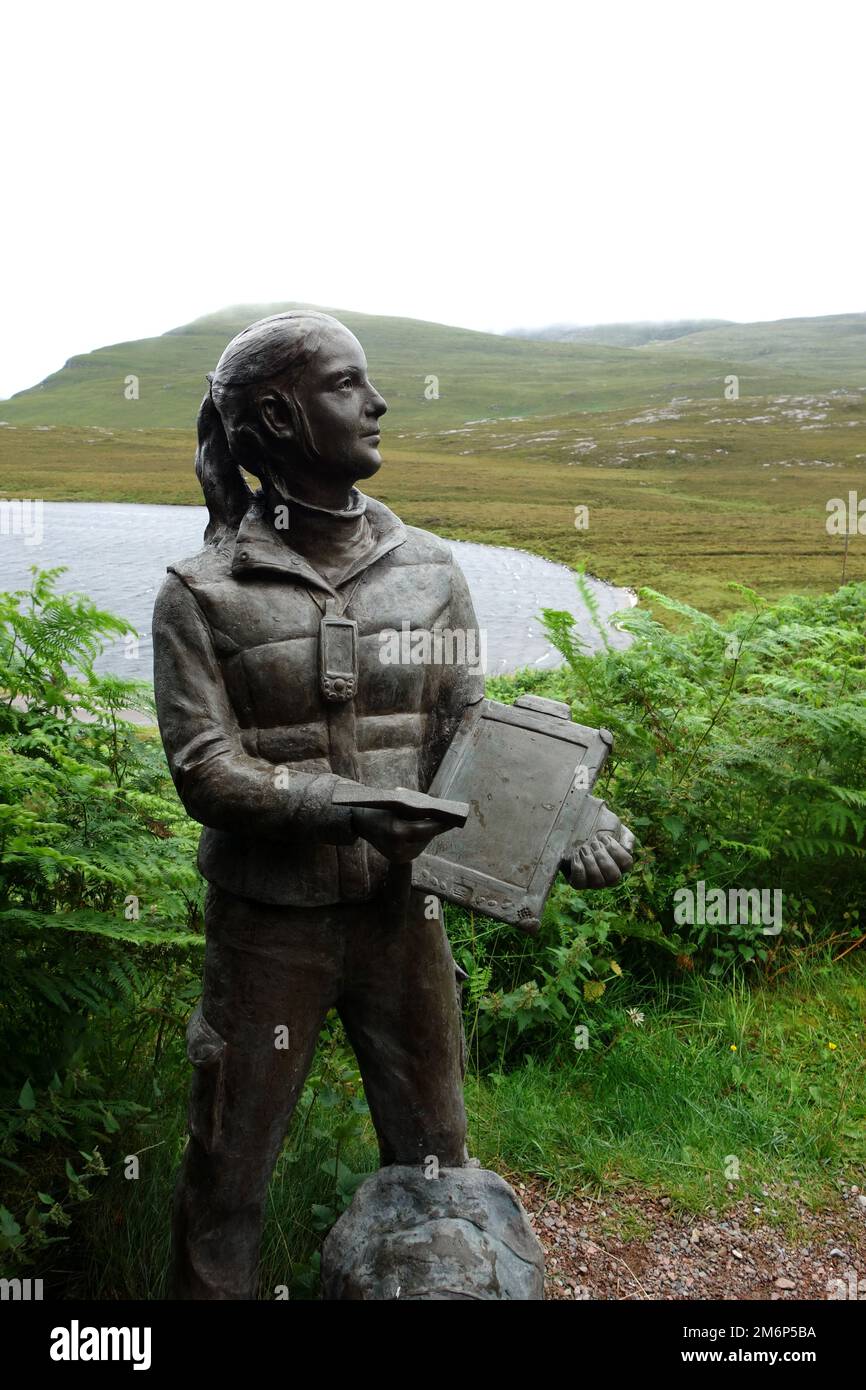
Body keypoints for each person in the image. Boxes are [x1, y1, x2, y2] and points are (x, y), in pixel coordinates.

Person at [152, 310, 634, 1299]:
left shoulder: (429, 572)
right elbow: (204, 768)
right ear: (279, 416)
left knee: (435, 1176)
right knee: (225, 1184)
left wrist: (568, 815)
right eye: (346, 384)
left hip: (403, 921)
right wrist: (342, 804)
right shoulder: (200, 594)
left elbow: (470, 733)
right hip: (265, 934)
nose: (375, 403)